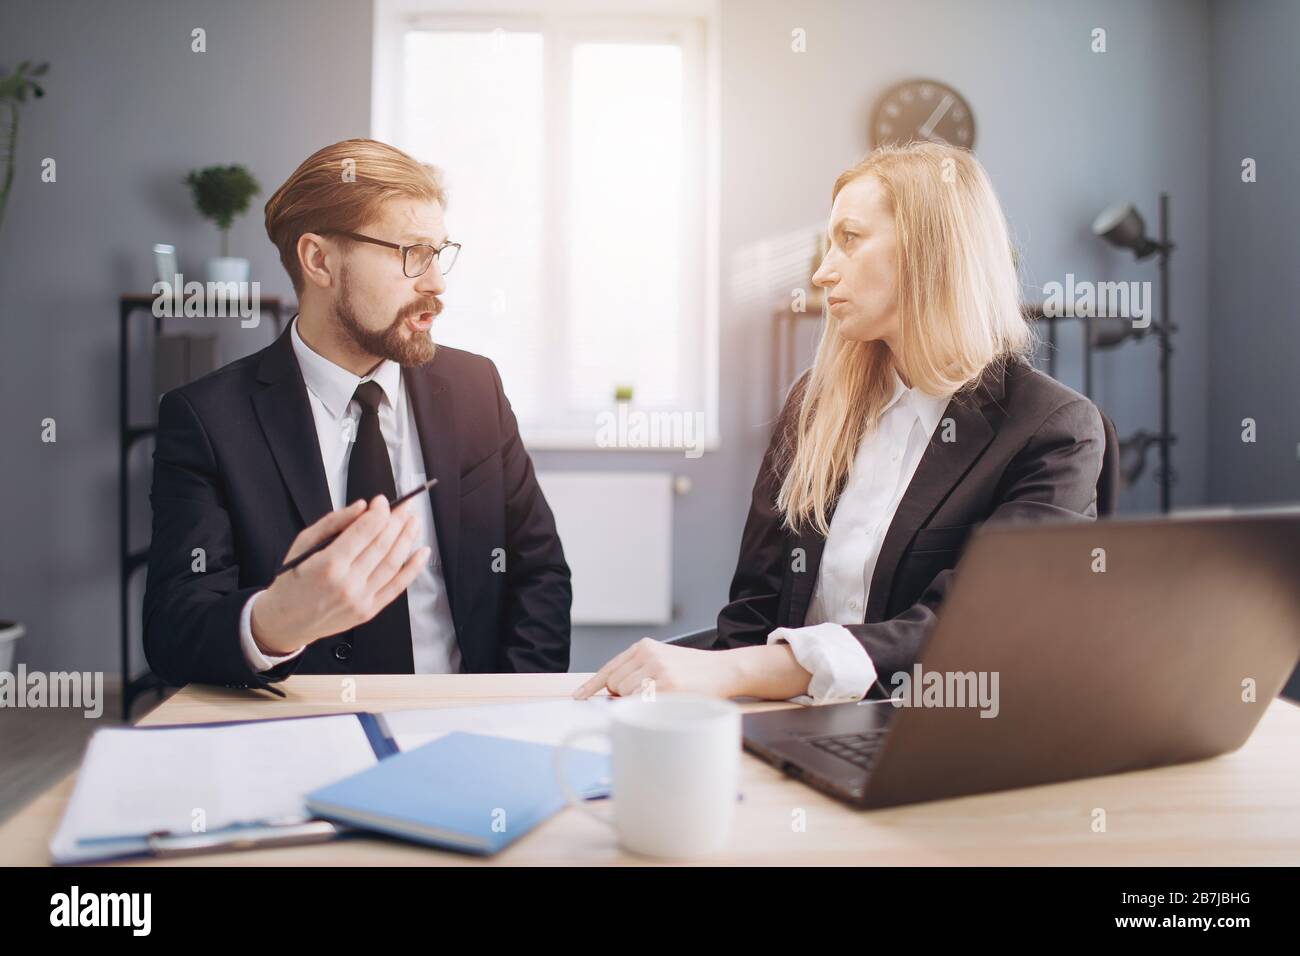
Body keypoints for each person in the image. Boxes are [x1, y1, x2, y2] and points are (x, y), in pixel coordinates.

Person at [576, 142, 1103, 704]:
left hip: (933, 747)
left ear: (932, 251)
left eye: (849, 240)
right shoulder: (814, 405)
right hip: (788, 730)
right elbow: (755, 610)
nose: (824, 273)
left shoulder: (1054, 430)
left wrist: (740, 674)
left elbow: (978, 629)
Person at [144, 138, 571, 688]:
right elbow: (174, 627)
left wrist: (509, 709)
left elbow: (538, 574)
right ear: (319, 260)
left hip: (463, 723)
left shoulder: (474, 389)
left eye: (439, 254)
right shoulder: (206, 418)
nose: (436, 284)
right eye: (411, 253)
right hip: (299, 736)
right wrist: (277, 619)